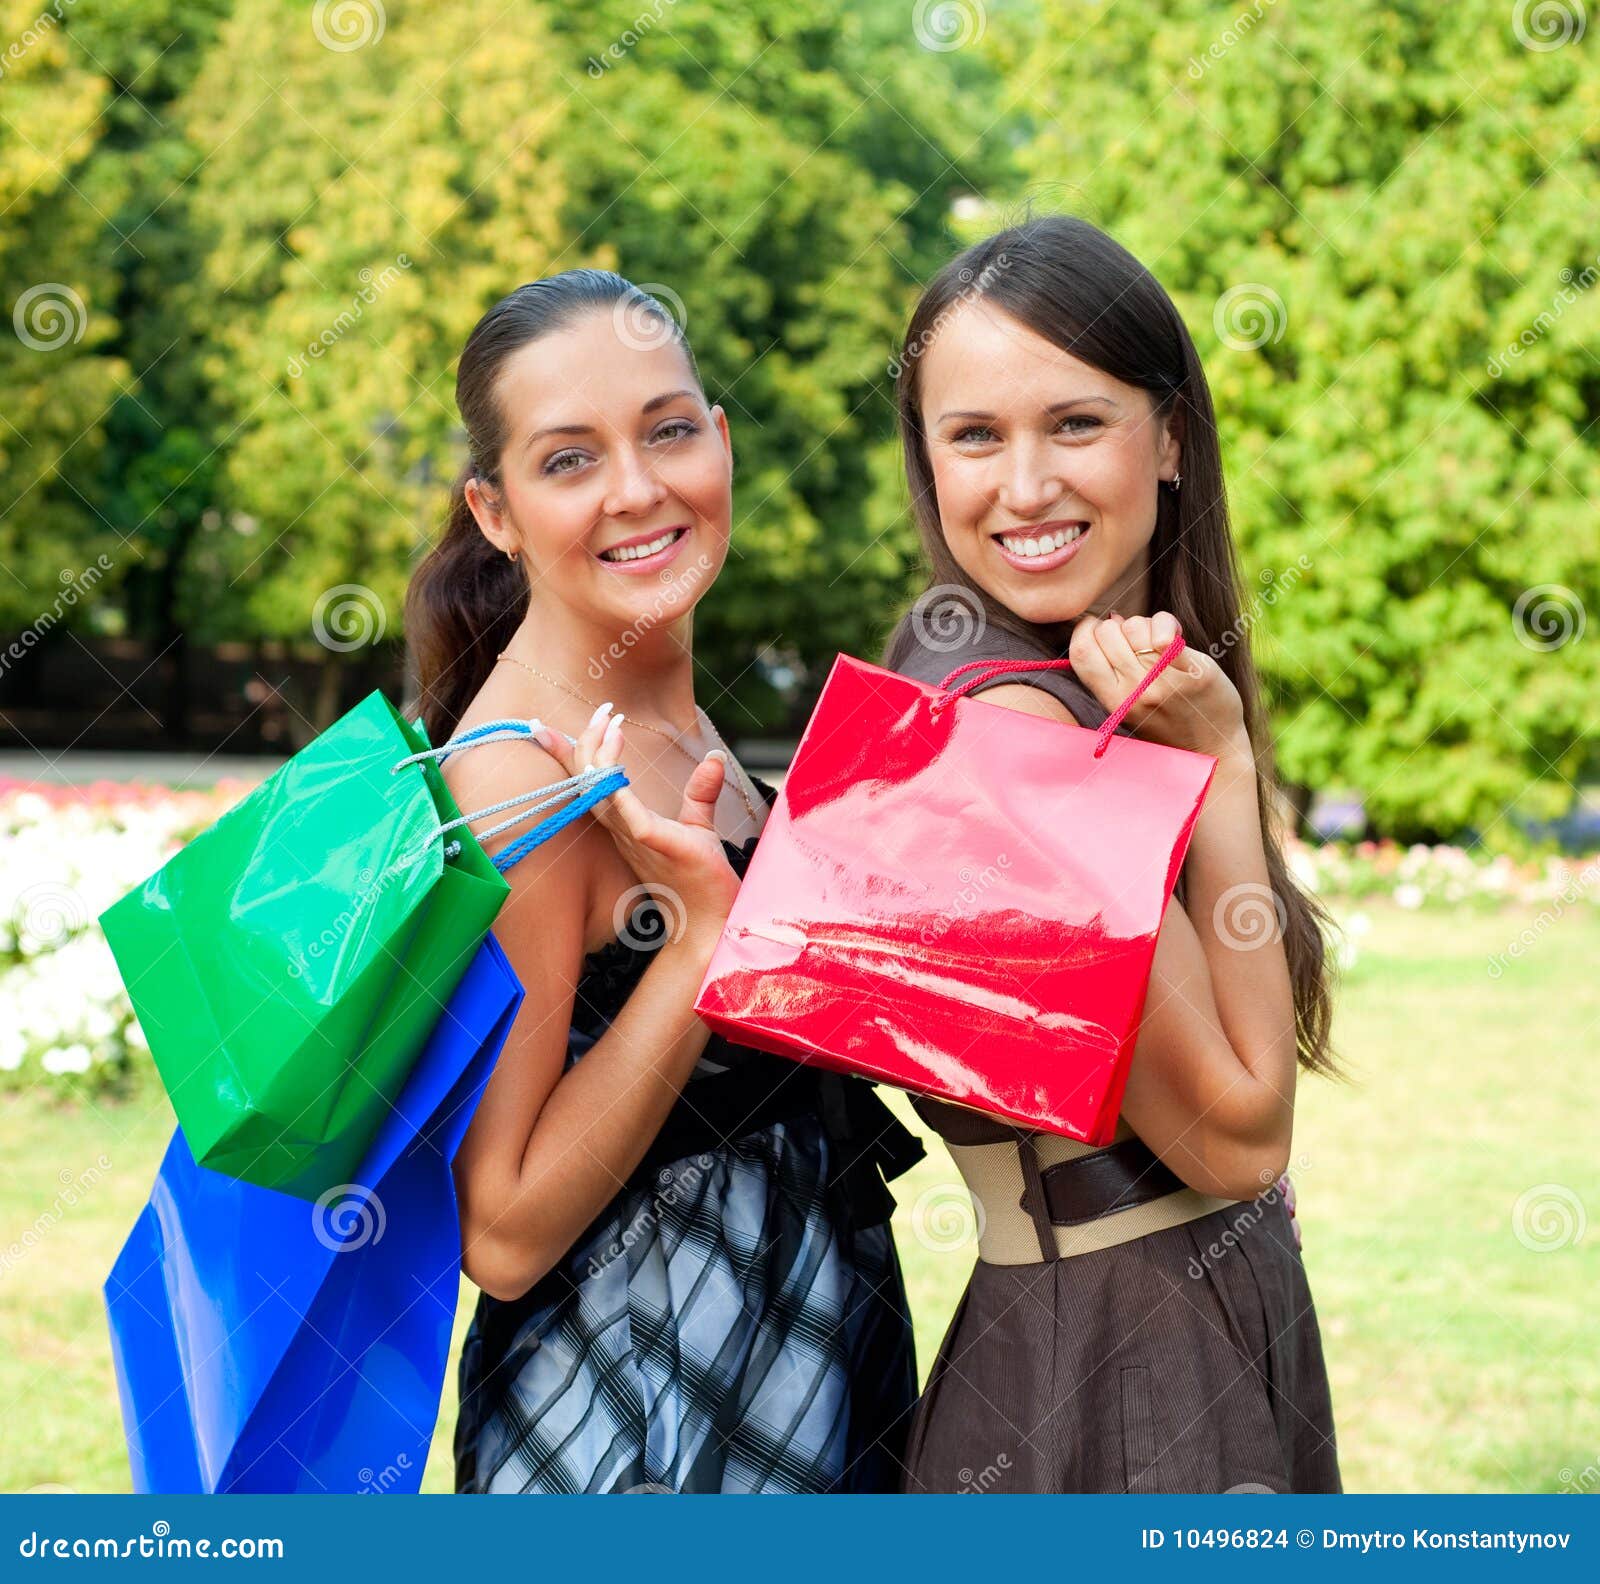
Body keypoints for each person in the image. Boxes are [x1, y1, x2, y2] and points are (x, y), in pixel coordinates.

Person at [407, 269, 922, 1493]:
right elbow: (507, 1227)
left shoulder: (686, 734)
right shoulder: (525, 783)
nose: (639, 489)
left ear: (721, 442)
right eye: (569, 460)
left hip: (801, 1362)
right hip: (643, 1422)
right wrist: (696, 948)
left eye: (669, 431)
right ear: (496, 510)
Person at [882, 216, 1342, 1493]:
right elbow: (1240, 1140)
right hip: (1121, 1370)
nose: (1024, 488)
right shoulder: (1008, 731)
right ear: (928, 463)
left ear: (1171, 437)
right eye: (974, 436)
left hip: (1180, 1333)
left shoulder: (1082, 685)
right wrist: (1229, 768)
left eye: (1074, 424)